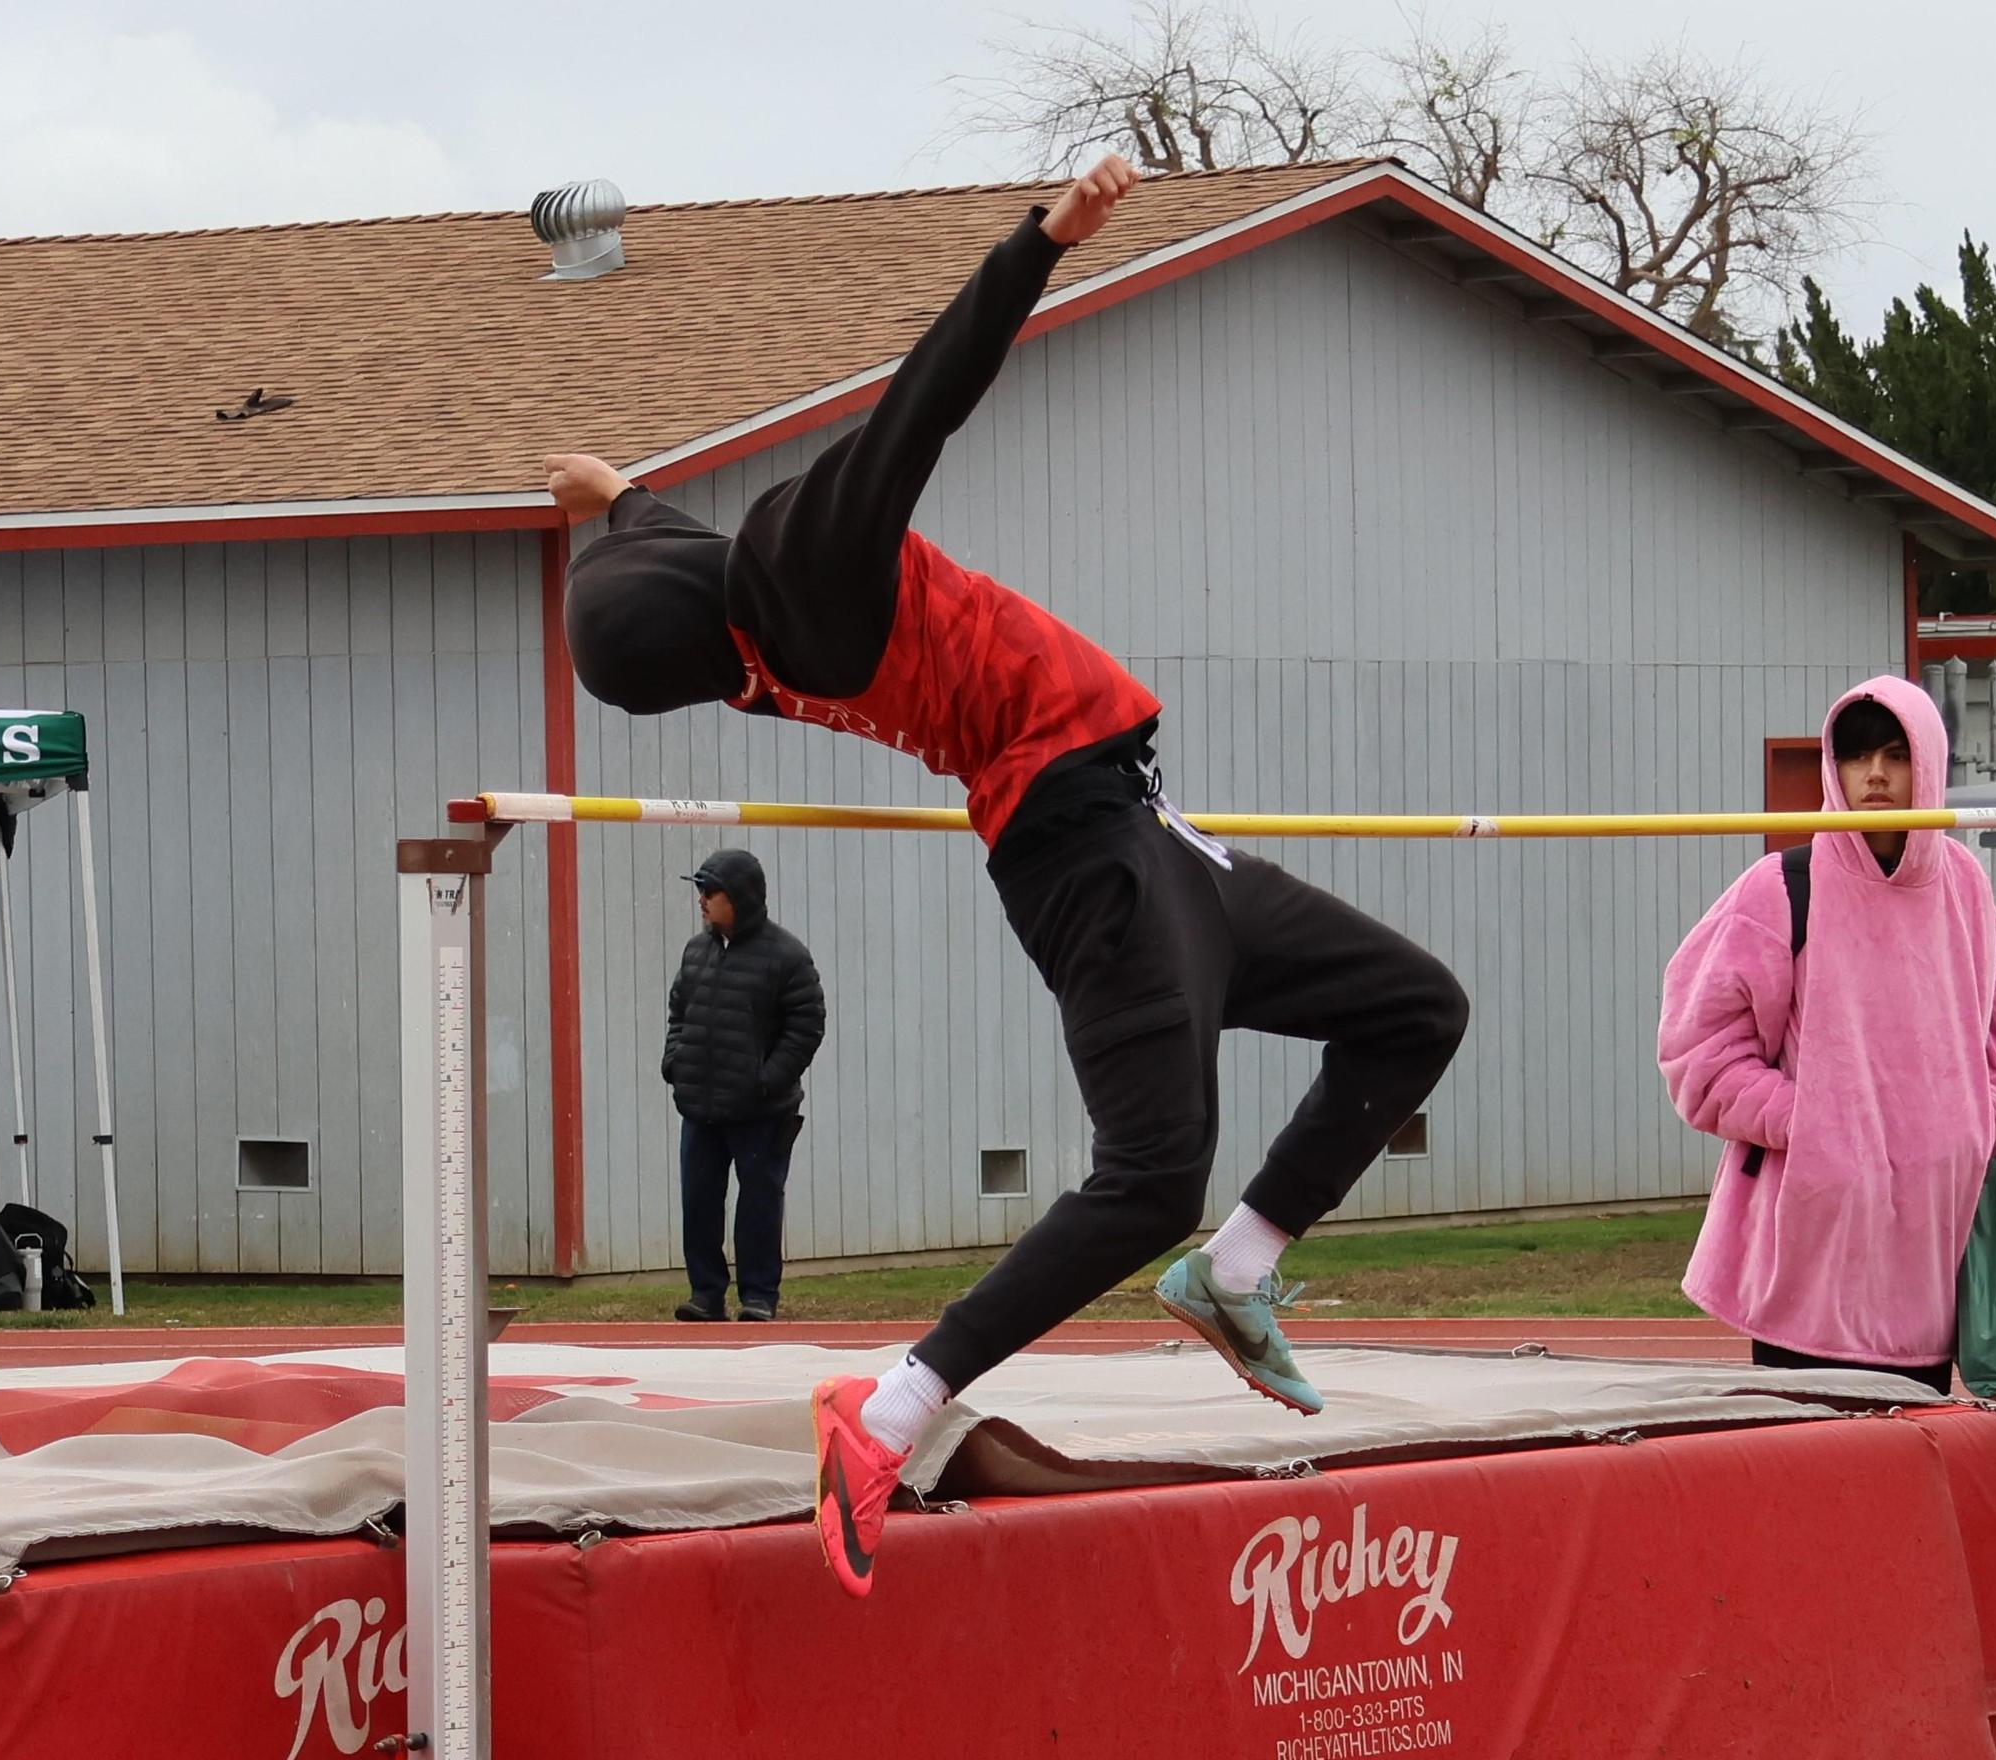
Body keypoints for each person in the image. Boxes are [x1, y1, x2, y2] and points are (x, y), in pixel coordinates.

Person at [546, 153, 1469, 1597]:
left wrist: (602, 492)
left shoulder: (736, 652)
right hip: (1082, 851)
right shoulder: (804, 561)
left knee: (1415, 1006)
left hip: (1149, 836)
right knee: (1150, 1169)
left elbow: (645, 526)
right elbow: (926, 397)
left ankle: (1233, 1278)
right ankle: (892, 1403)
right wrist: (1043, 241)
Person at [1658, 678, 1996, 1397]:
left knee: (1905, 1483)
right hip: (1810, 1254)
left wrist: (1971, 1125)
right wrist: (1815, 1122)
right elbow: (1697, 1054)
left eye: (1895, 753)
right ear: (1835, 767)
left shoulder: (1968, 889)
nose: (1878, 775)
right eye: (1857, 757)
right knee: (1802, 1485)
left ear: (1929, 759)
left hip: (1926, 1256)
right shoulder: (1781, 887)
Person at [663, 848, 825, 1323]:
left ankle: (758, 1297)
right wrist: (675, 1061)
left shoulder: (788, 956)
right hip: (701, 1106)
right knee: (699, 1202)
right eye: (699, 889)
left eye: (709, 890)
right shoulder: (697, 951)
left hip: (761, 1111)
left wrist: (767, 1080)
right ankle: (705, 1293)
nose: (701, 899)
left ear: (740, 897)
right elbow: (678, 1012)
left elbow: (807, 1027)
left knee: (759, 1203)